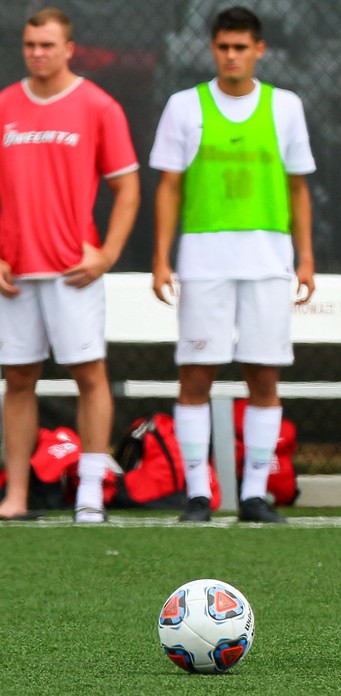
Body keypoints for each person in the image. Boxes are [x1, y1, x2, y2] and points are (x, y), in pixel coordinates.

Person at [149, 5, 315, 523]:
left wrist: (307, 258)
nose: (231, 56)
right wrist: (160, 258)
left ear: (259, 50)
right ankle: (198, 494)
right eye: (223, 47)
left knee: (263, 377)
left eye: (241, 47)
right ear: (212, 49)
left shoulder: (285, 106)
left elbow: (298, 187)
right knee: (195, 376)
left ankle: (254, 495)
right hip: (203, 261)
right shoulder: (183, 105)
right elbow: (169, 186)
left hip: (269, 261)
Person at [0, 7, 140, 524]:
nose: (37, 53)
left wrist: (107, 254)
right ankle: (16, 496)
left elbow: (128, 188)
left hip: (72, 271)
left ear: (69, 48)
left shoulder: (98, 106)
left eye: (47, 45)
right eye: (30, 44)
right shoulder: (4, 105)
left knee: (89, 374)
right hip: (15, 274)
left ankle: (90, 494)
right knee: (18, 379)